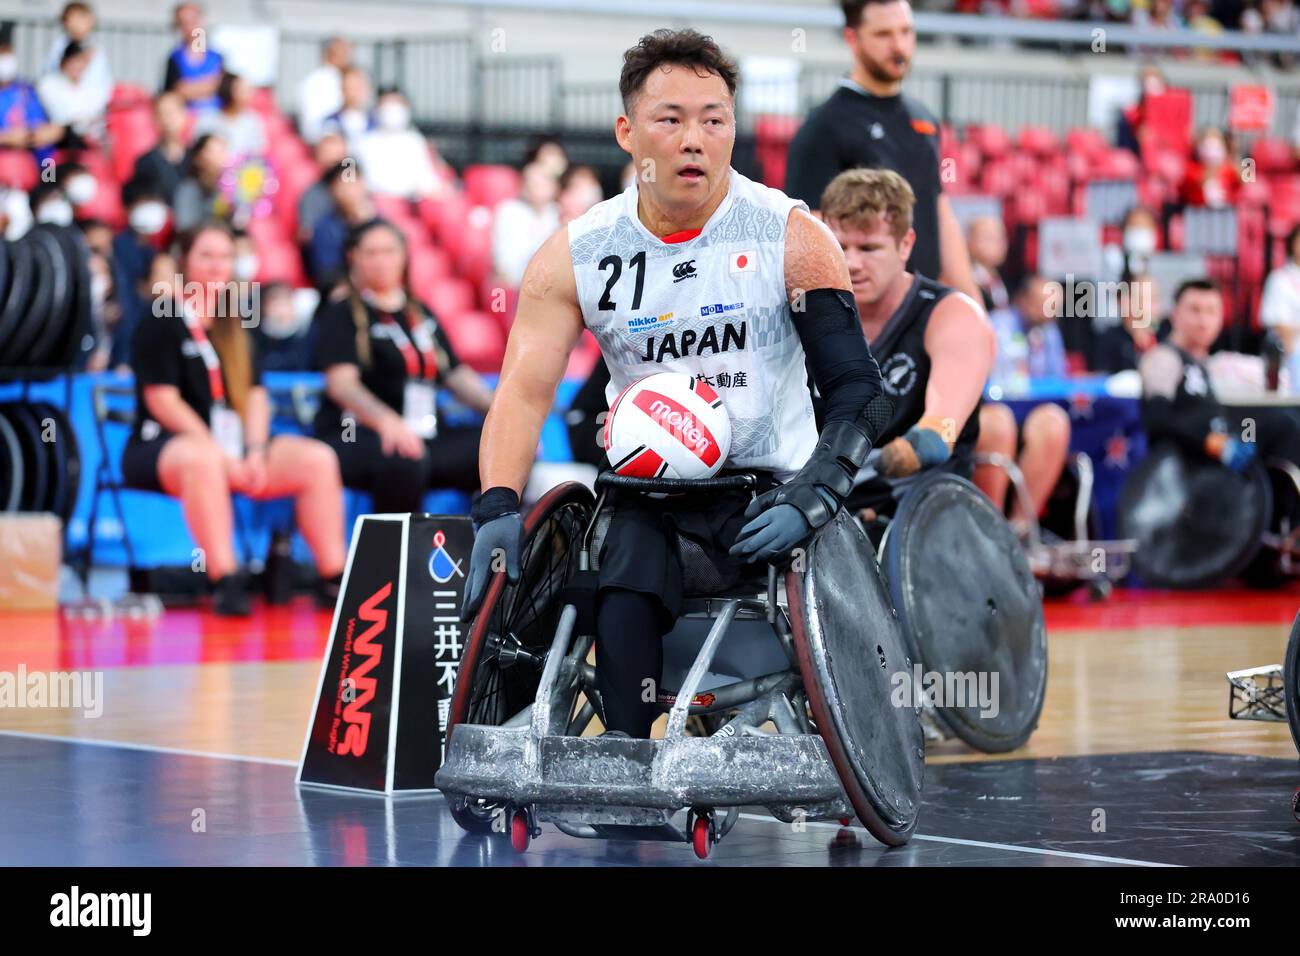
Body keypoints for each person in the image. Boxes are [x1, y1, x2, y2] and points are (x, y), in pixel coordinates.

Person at [460, 30, 889, 741]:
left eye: (714, 119)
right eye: (671, 119)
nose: (695, 139)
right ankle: (626, 761)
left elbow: (860, 391)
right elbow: (523, 392)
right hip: (651, 494)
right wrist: (499, 505)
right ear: (628, 132)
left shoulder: (791, 235)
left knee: (653, 545)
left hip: (772, 489)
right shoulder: (577, 253)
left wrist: (817, 492)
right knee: (619, 562)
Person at [121, 222, 346, 616]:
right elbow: (162, 401)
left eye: (224, 256)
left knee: (317, 459)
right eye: (205, 255)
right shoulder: (161, 317)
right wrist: (220, 453)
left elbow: (256, 395)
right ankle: (224, 578)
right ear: (184, 262)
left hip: (235, 447)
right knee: (201, 459)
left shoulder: (236, 321)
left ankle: (334, 577)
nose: (216, 265)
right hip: (162, 446)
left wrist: (255, 451)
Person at [815, 168, 992, 520]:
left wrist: (901, 453)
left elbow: (942, 430)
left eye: (869, 248)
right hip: (825, 510)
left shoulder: (954, 316)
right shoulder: (808, 309)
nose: (851, 263)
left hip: (924, 521)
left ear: (906, 245)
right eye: (840, 246)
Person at [784, 0, 978, 302]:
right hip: (863, 316)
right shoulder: (824, 126)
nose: (899, 45)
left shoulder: (924, 119)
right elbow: (810, 236)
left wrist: (972, 305)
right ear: (852, 38)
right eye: (883, 34)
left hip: (920, 309)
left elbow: (939, 212)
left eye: (906, 32)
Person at [313, 218, 494, 513]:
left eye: (388, 251)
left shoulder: (420, 312)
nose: (380, 261)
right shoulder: (342, 312)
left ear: (404, 256)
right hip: (360, 433)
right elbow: (341, 384)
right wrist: (387, 422)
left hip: (423, 432)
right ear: (353, 257)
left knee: (498, 450)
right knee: (404, 457)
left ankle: (490, 549)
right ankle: (397, 552)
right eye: (371, 253)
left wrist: (501, 415)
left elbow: (456, 375)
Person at [1140, 278, 1300, 473]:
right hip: (1194, 465)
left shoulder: (1205, 363)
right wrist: (1210, 442)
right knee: (1283, 425)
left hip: (1225, 446)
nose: (1203, 320)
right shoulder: (1165, 358)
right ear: (1175, 314)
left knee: (1281, 423)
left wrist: (1242, 436)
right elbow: (1157, 419)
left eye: (1211, 311)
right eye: (1195, 310)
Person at [109, 177, 171, 368]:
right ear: (128, 207)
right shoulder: (118, 249)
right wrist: (123, 358)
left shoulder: (155, 252)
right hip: (122, 354)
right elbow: (125, 306)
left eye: (156, 202)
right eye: (145, 202)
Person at [354, 88, 445, 202]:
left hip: (416, 203)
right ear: (377, 109)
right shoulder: (363, 143)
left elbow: (428, 179)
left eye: (397, 103)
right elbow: (355, 178)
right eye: (387, 104)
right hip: (380, 203)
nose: (392, 110)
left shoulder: (415, 140)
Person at [989, 274, 1069, 389]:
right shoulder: (999, 324)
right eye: (1041, 305)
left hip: (1042, 397)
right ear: (1022, 300)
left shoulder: (1049, 329)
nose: (1047, 314)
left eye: (1053, 308)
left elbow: (1058, 375)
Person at [0, 22, 65, 165]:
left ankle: (49, 184)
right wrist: (6, 138)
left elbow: (41, 121)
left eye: (7, 53)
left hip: (31, 154)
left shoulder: (26, 89)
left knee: (48, 158)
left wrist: (47, 132)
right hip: (5, 156)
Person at [307, 159, 376, 291]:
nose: (349, 190)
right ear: (332, 191)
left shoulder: (380, 222)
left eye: (353, 182)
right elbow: (327, 274)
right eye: (343, 185)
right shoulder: (325, 229)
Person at [491, 161, 560, 287]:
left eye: (543, 182)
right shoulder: (508, 211)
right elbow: (505, 263)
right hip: (516, 284)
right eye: (533, 183)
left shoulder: (558, 213)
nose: (538, 187)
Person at [36, 39, 107, 147]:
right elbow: (62, 117)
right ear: (63, 63)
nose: (75, 66)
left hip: (86, 140)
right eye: (71, 61)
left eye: (79, 61)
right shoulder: (48, 84)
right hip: (62, 140)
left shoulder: (92, 88)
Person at [42, 3, 112, 111]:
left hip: (89, 107)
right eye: (74, 18)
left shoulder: (96, 49)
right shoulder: (59, 46)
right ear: (65, 22)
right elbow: (50, 75)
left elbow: (101, 85)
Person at [163, 2, 224, 113]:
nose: (189, 27)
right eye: (183, 23)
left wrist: (189, 88)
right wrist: (208, 85)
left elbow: (223, 87)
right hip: (187, 119)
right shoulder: (174, 59)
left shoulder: (217, 57)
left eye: (192, 22)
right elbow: (174, 92)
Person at [192, 71, 266, 159]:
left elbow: (258, 153)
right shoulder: (207, 118)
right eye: (242, 90)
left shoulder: (253, 121)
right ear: (228, 90)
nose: (248, 95)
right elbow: (199, 150)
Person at [133, 90, 190, 202]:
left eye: (172, 113)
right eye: (161, 114)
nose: (167, 119)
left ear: (184, 115)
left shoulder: (196, 158)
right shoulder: (145, 162)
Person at [297, 36, 351, 144]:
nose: (346, 58)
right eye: (341, 53)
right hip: (324, 140)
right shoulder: (316, 81)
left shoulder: (344, 77)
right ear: (327, 53)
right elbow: (312, 122)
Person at [296, 131, 347, 246]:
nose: (332, 165)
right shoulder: (311, 196)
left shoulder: (357, 187)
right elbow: (306, 236)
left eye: (337, 159)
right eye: (328, 156)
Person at [172, 132, 231, 232]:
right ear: (198, 158)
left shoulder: (230, 190)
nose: (221, 158)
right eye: (213, 152)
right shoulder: (188, 190)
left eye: (222, 151)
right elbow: (185, 228)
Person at [320, 66, 374, 152]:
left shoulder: (377, 122)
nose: (356, 92)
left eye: (359, 87)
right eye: (351, 87)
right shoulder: (331, 123)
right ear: (342, 90)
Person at [967, 214, 1009, 313]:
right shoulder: (967, 278)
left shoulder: (996, 278)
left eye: (1001, 238)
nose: (999, 245)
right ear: (969, 241)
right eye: (989, 238)